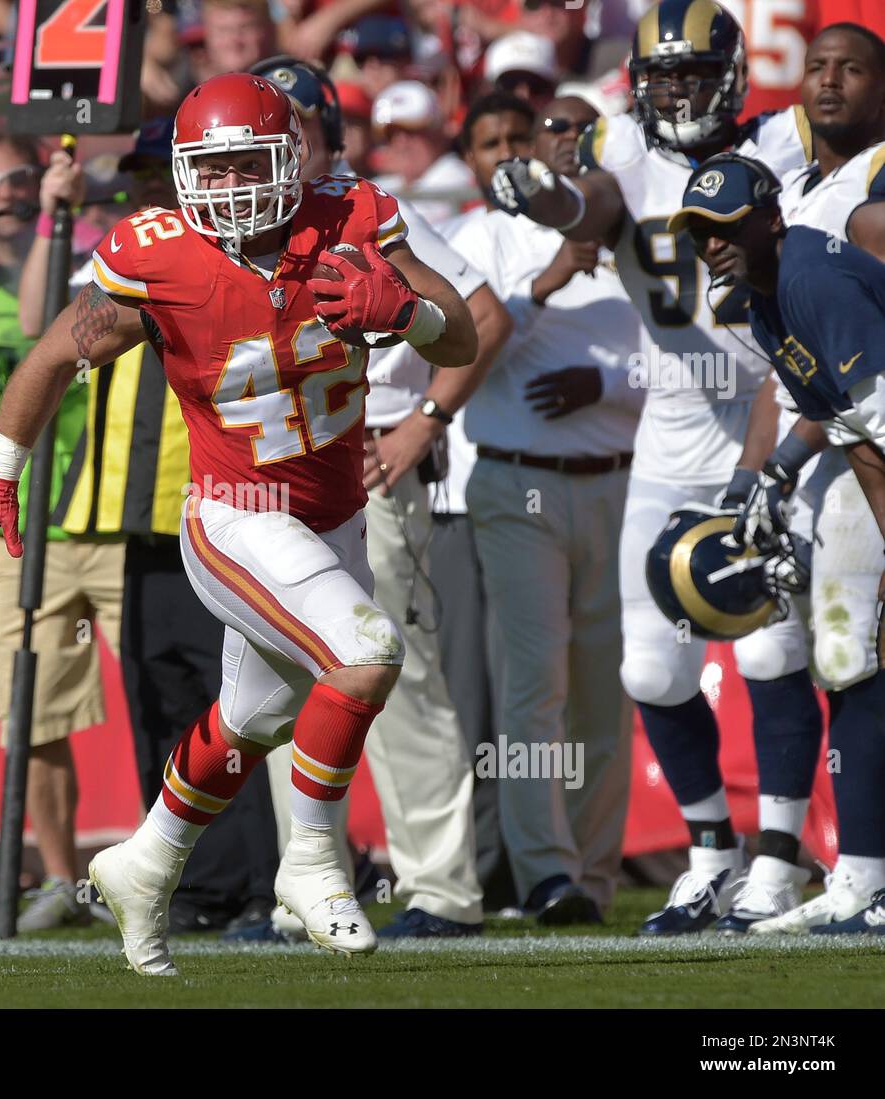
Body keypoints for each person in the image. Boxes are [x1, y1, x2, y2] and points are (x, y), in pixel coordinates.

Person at [0, 72, 477, 976]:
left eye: (245, 167)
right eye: (210, 170)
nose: (227, 189)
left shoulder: (353, 220)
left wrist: (411, 314)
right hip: (236, 515)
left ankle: (144, 859)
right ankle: (313, 862)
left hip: (334, 513)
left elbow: (460, 339)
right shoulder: (161, 254)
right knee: (368, 652)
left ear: (291, 158)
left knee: (248, 722)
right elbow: (50, 356)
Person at [490, 0, 824, 934]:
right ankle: (709, 856)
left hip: (775, 409)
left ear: (730, 75)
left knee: (769, 647)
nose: (675, 90)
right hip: (672, 433)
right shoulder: (623, 149)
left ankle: (779, 861)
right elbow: (587, 206)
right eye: (661, 75)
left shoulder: (790, 141)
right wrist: (545, 197)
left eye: (691, 72)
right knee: (650, 671)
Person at [248, 56, 512, 940]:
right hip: (279, 482)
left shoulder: (363, 211)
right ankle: (305, 895)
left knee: (399, 681)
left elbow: (484, 313)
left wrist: (423, 421)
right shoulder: (246, 225)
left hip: (365, 473)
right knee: (287, 686)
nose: (276, 143)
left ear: (327, 134)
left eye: (292, 125)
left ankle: (439, 889)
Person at [53, 117, 282, 935]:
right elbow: (45, 331)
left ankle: (264, 882)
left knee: (237, 707)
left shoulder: (225, 252)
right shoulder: (121, 255)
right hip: (131, 515)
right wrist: (56, 219)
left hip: (215, 510)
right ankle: (200, 884)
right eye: (140, 175)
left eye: (163, 172)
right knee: (163, 703)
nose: (149, 187)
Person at [668, 152, 885, 936]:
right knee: (846, 657)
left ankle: (871, 876)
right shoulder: (762, 294)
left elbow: (882, 424)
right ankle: (864, 874)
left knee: (851, 653)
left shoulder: (809, 281)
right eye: (698, 229)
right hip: (865, 457)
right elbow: (840, 419)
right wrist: (774, 474)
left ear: (770, 218)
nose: (712, 243)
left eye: (725, 226)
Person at [451, 91, 644, 922]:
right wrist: (547, 279)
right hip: (515, 482)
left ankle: (595, 878)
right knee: (535, 687)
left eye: (575, 129)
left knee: (611, 689)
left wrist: (602, 380)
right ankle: (547, 875)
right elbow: (461, 351)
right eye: (549, 130)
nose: (563, 142)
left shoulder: (635, 230)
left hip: (623, 479)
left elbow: (693, 368)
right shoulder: (483, 233)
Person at [0, 133, 113, 932]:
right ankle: (62, 880)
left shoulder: (90, 264)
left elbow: (46, 318)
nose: (4, 191)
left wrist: (57, 220)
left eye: (18, 178)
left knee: (169, 685)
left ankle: (192, 870)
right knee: (27, 705)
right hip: (6, 521)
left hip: (103, 509)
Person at [370, 81, 476, 225]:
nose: (401, 142)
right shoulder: (383, 184)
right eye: (392, 135)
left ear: (437, 132)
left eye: (411, 132)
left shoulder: (456, 176)